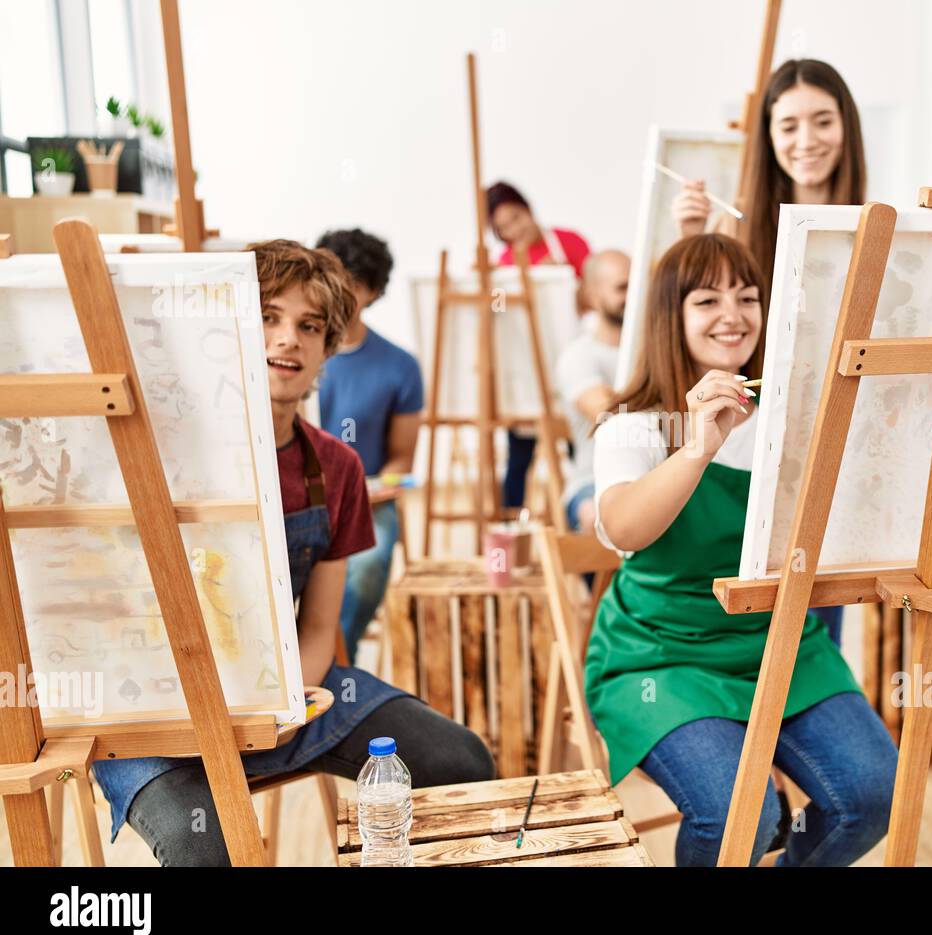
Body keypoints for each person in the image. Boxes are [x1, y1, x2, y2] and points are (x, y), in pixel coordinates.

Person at [91, 241, 495, 866]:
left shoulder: (337, 467)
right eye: (267, 318)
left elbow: (319, 624)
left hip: (284, 692)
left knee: (460, 760)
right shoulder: (160, 454)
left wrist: (287, 703)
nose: (289, 340)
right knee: (206, 845)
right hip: (154, 716)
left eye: (310, 327)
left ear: (328, 349)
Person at [584, 233, 897, 867]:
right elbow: (621, 530)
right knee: (740, 814)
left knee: (874, 794)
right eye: (707, 300)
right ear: (671, 317)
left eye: (747, 296)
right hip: (663, 658)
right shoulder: (635, 425)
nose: (733, 314)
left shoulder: (793, 419)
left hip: (782, 645)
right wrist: (697, 447)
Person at [670, 58, 867, 650]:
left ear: (847, 128)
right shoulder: (744, 233)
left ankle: (811, 713)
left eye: (822, 120)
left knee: (818, 618)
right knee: (755, 606)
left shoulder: (878, 227)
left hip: (844, 442)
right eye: (788, 126)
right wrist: (690, 242)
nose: (806, 141)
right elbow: (696, 330)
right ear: (769, 137)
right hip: (755, 446)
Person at [314, 228, 422, 664]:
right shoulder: (295, 353)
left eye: (353, 286)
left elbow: (401, 458)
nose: (340, 294)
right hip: (300, 499)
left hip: (367, 501)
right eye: (331, 280)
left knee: (370, 560)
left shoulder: (400, 366)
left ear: (373, 292)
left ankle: (337, 660)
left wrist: (375, 489)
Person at [486, 181, 592, 512]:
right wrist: (489, 289)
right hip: (529, 370)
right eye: (503, 228)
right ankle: (509, 534)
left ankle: (582, 522)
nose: (514, 230)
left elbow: (595, 293)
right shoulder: (502, 265)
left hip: (571, 359)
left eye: (516, 218)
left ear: (529, 209)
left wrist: (559, 283)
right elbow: (498, 313)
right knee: (520, 456)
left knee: (580, 448)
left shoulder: (568, 243)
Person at [555, 250, 629, 533]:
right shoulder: (578, 356)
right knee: (597, 517)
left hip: (652, 476)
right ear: (593, 296)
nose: (634, 294)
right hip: (592, 482)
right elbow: (610, 414)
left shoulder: (654, 350)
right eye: (622, 287)